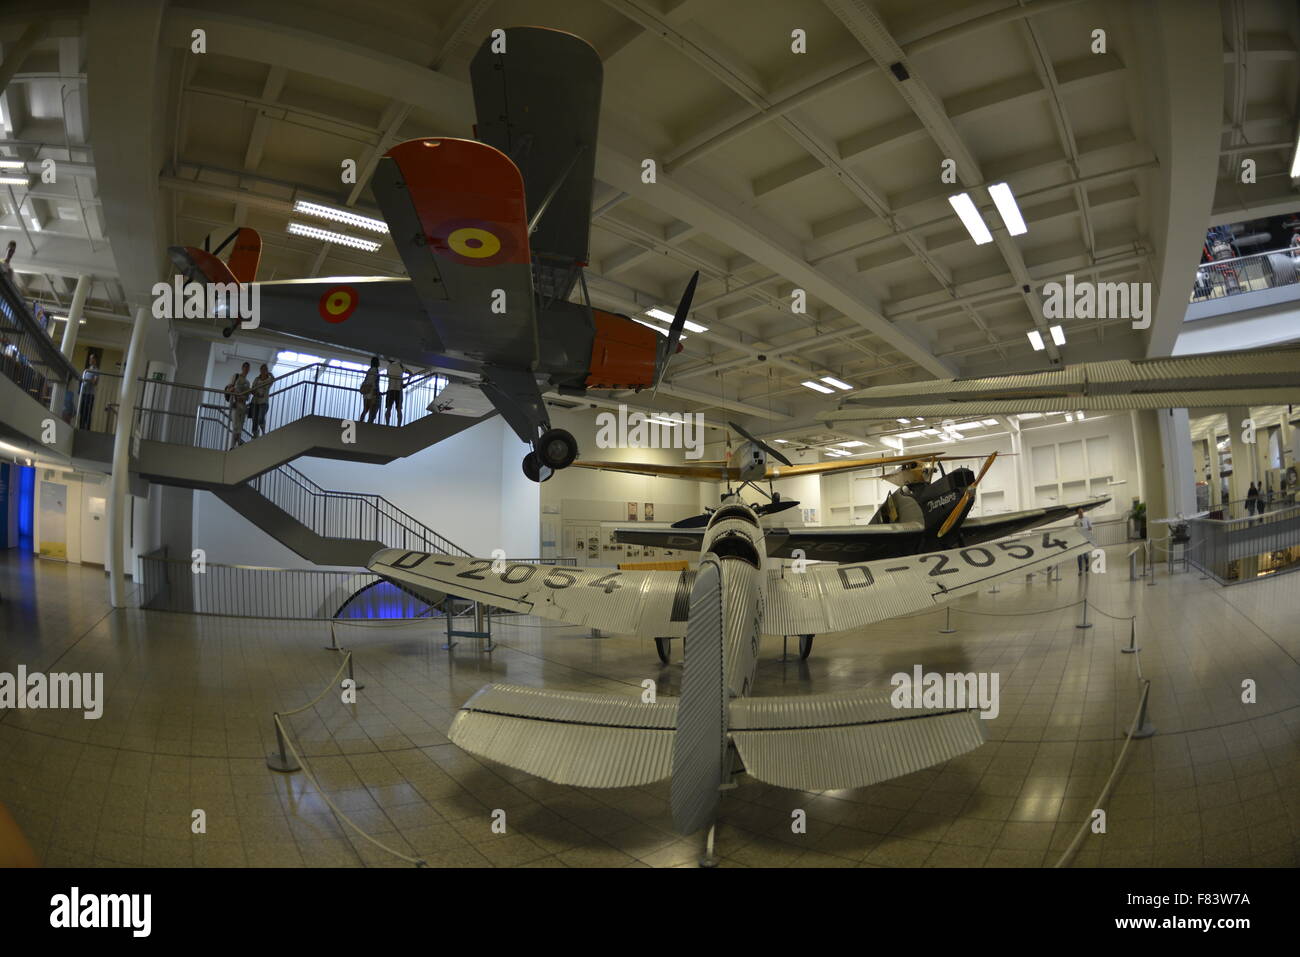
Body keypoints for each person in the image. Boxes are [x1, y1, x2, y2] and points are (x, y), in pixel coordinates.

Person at [225, 362, 251, 448]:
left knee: (240, 426)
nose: (246, 369)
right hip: (235, 403)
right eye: (245, 367)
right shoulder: (236, 376)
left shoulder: (248, 382)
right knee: (236, 426)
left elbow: (247, 397)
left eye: (248, 368)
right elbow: (229, 389)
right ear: (242, 367)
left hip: (243, 405)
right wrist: (236, 393)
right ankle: (233, 446)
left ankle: (238, 443)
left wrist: (243, 397)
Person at [249, 363, 274, 437]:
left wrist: (270, 374)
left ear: (267, 370)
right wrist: (256, 394)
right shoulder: (257, 379)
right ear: (260, 370)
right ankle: (255, 434)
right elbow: (252, 389)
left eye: (265, 369)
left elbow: (273, 380)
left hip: (264, 402)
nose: (263, 371)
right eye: (262, 369)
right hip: (255, 401)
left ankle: (263, 432)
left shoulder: (269, 379)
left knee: (260, 417)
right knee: (254, 418)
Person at [77, 353, 99, 430]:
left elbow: (95, 382)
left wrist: (86, 380)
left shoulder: (96, 370)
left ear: (95, 360)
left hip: (89, 395)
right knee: (82, 412)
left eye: (91, 358)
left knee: (87, 412)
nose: (90, 360)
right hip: (84, 393)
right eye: (89, 358)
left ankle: (86, 429)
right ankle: (80, 428)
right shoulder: (87, 370)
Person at [384, 356, 406, 426]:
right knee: (399, 409)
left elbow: (387, 375)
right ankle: (399, 425)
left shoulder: (389, 366)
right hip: (399, 390)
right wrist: (405, 383)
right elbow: (411, 373)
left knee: (389, 408)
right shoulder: (401, 366)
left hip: (390, 389)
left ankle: (387, 424)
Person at [359, 355, 381, 424]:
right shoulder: (375, 370)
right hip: (372, 392)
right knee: (372, 409)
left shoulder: (369, 370)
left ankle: (361, 422)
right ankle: (369, 423)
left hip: (366, 392)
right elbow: (373, 381)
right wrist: (376, 390)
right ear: (377, 363)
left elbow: (367, 380)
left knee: (365, 409)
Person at [1074, 508, 1093, 575]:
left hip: (1085, 538)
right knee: (1079, 555)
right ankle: (1080, 570)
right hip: (1079, 539)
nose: (1081, 513)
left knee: (1085, 555)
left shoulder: (1087, 519)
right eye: (1079, 512)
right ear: (1077, 513)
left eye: (1082, 512)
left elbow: (1090, 528)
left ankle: (1087, 565)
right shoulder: (1076, 520)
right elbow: (1075, 530)